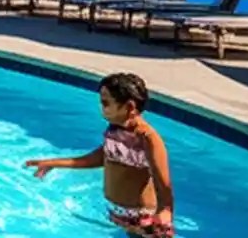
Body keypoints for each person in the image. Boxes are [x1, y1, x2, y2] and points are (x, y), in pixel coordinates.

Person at [26, 73, 174, 237]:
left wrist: (165, 211)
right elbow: (101, 157)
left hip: (143, 218)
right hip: (118, 213)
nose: (101, 108)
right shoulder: (116, 129)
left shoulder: (148, 139)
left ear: (129, 107)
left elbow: (163, 183)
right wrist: (54, 163)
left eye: (106, 103)